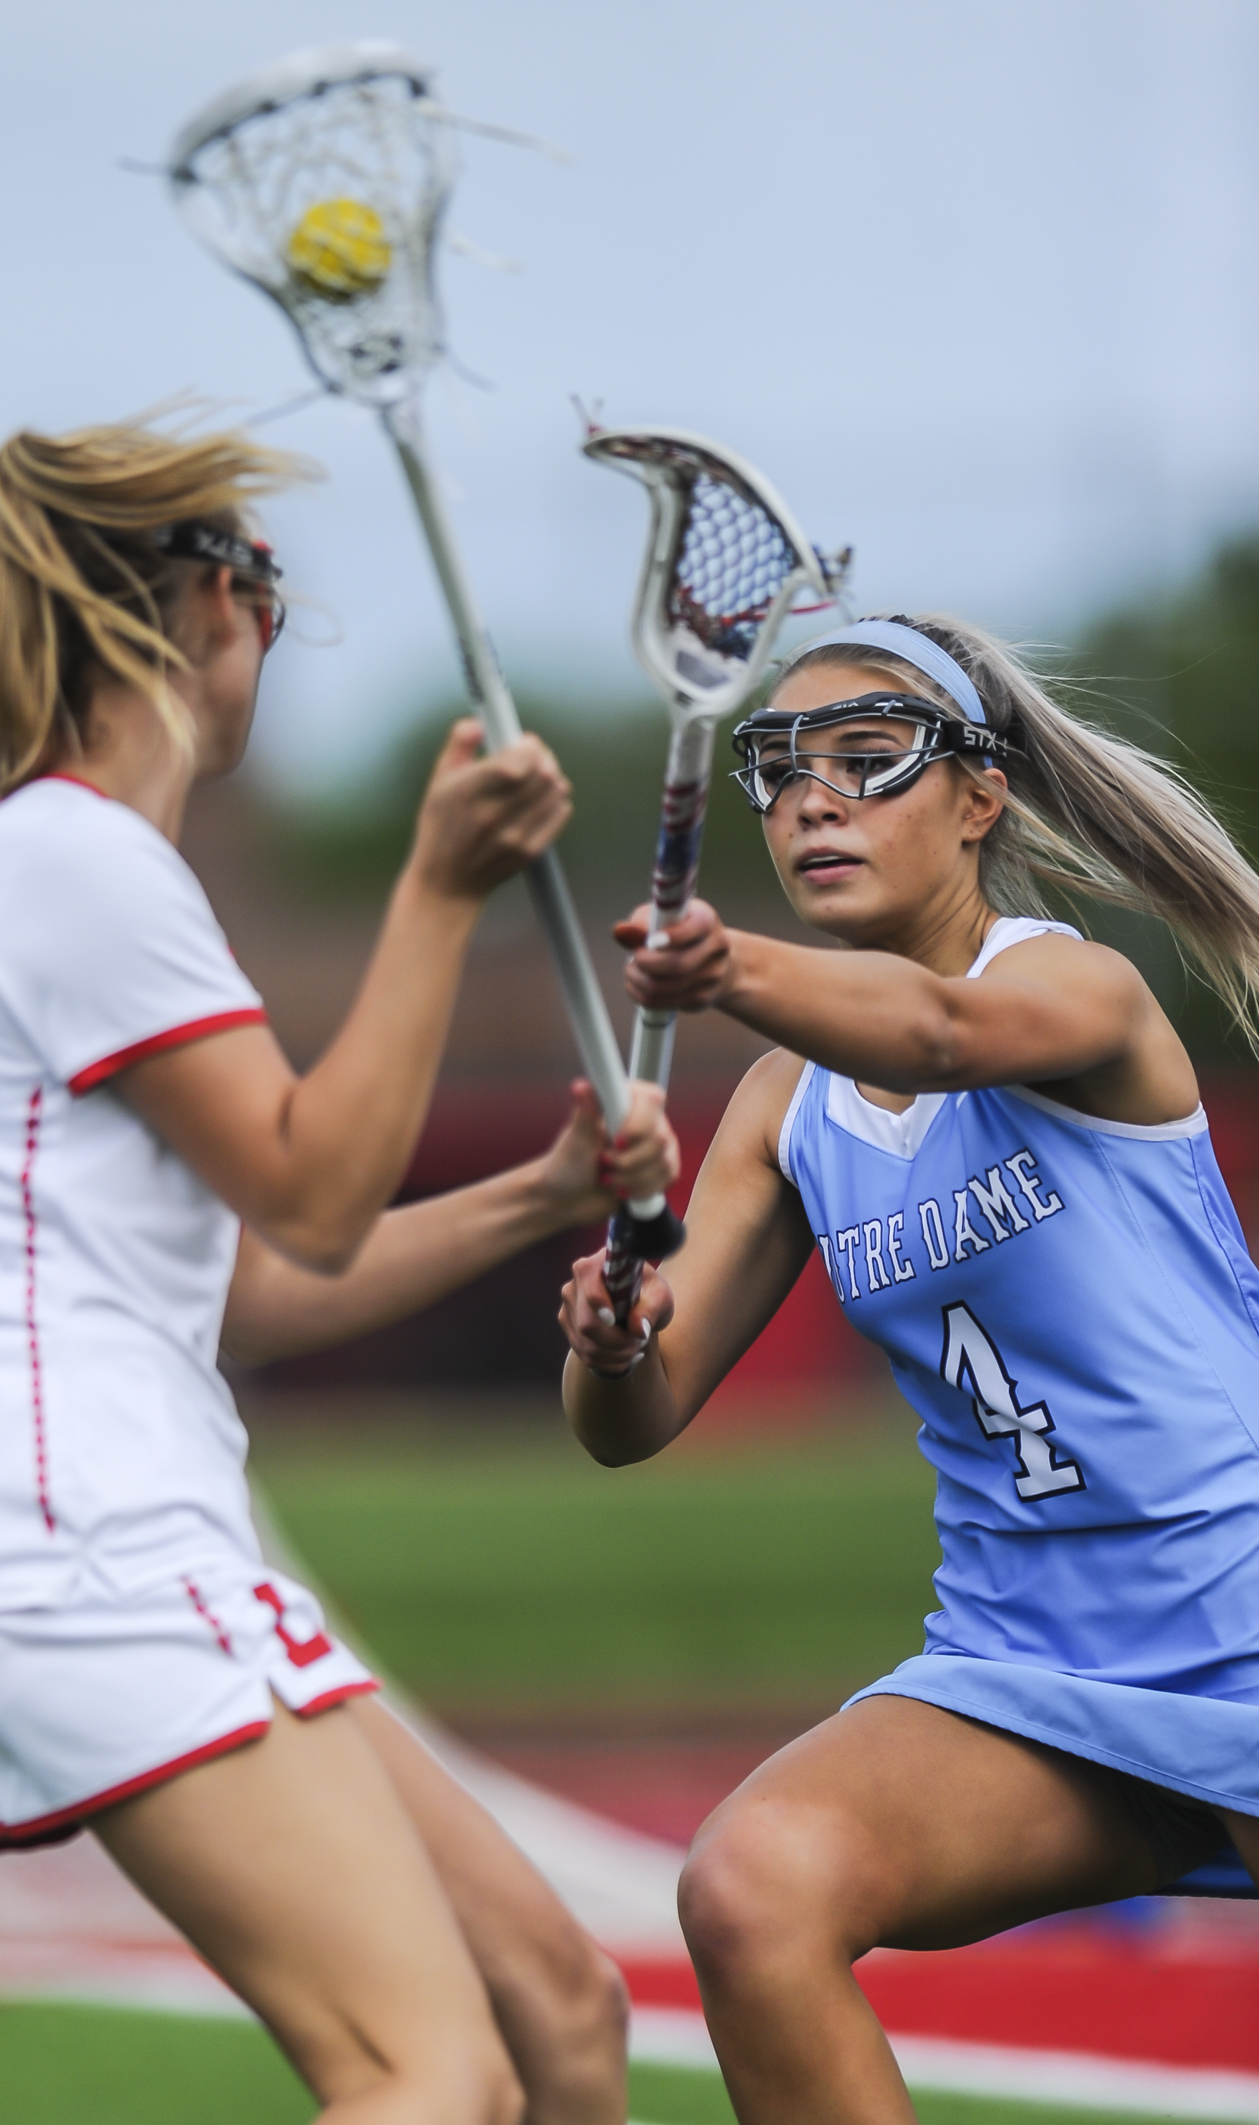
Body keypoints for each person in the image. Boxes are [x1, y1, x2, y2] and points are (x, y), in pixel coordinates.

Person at [0, 417, 679, 2125]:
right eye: (276, 592)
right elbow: (314, 1190)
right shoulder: (77, 862)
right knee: (426, 2072)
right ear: (210, 602)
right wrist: (438, 889)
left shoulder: (80, 868)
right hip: (70, 1535)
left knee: (555, 2009)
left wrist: (539, 1193)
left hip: (124, 1526)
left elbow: (238, 1288)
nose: (278, 630)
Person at [559, 613, 1259, 2125]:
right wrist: (609, 1340)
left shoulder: (1074, 990)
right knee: (753, 1887)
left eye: (865, 764)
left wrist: (725, 961)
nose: (814, 801)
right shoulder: (781, 1102)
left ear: (978, 796)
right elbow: (633, 1420)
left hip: (1241, 1599)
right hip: (1025, 1667)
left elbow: (943, 1030)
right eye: (783, 773)